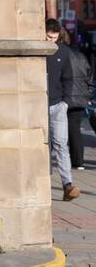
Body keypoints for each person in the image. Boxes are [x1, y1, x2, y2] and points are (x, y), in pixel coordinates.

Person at [46, 18, 80, 200]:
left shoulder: (63, 52)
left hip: (58, 105)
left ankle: (68, 185)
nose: (51, 41)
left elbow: (68, 77)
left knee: (61, 144)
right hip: (38, 104)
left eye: (54, 38)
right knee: (43, 146)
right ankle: (42, 182)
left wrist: (66, 101)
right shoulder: (39, 51)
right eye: (48, 38)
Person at [67, 38, 94, 169]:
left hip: (65, 97)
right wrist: (87, 95)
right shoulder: (81, 56)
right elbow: (90, 78)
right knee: (75, 129)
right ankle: (78, 161)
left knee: (62, 130)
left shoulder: (58, 55)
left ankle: (75, 160)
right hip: (79, 99)